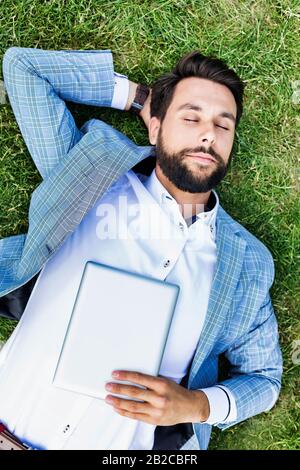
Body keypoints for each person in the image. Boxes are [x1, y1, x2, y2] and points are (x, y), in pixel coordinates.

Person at [0, 47, 282, 451]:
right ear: (155, 127)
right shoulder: (92, 173)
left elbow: (266, 380)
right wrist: (138, 98)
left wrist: (197, 405)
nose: (209, 135)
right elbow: (24, 68)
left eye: (225, 125)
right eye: (191, 117)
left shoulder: (247, 263)